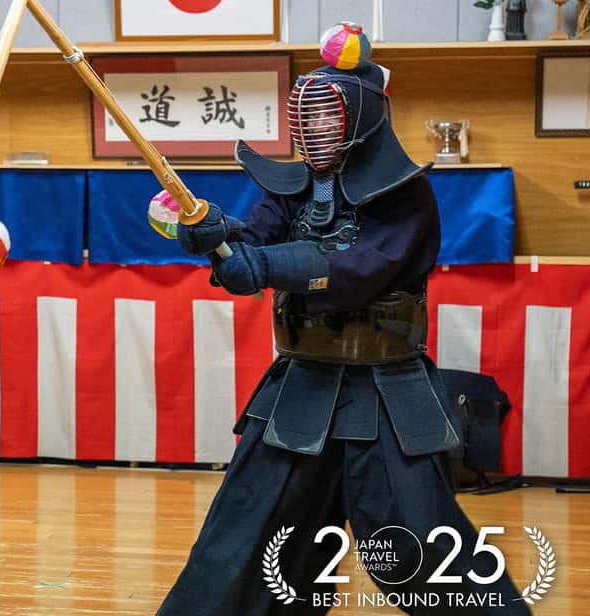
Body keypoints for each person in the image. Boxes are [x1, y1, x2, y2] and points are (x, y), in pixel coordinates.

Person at [158, 23, 529, 615]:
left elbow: (357, 268)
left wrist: (260, 263)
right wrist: (210, 233)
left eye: (328, 116)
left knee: (417, 544)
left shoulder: (406, 197)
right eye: (307, 117)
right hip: (300, 386)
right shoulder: (291, 187)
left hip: (386, 394)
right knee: (248, 529)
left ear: (361, 118)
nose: (315, 129)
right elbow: (254, 242)